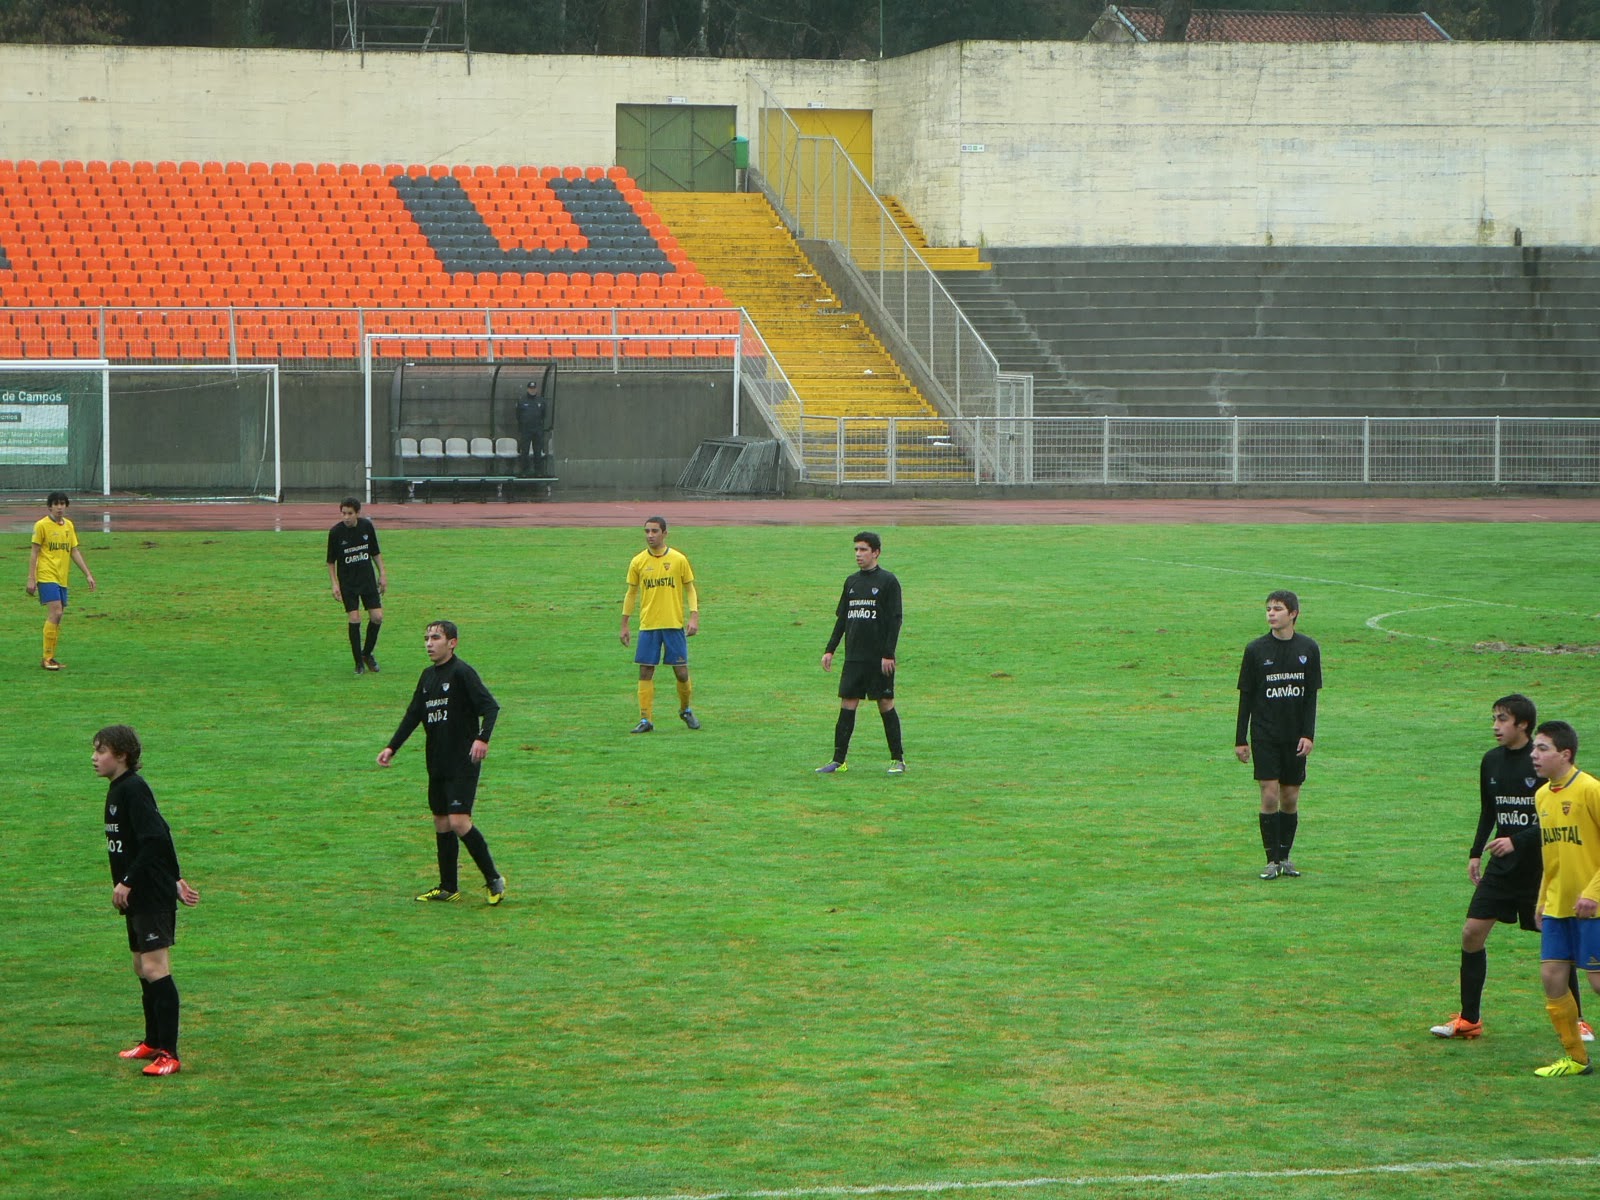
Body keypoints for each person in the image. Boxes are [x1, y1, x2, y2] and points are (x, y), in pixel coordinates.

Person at [1429, 695, 1591, 1041]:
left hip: (1539, 868)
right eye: (1494, 719)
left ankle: (1577, 1021)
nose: (1495, 726)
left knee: (1557, 945)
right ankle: (1469, 1019)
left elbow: (1552, 817)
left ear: (1523, 725)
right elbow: (1489, 810)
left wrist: (1517, 839)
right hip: (1502, 867)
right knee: (1472, 933)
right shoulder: (1491, 761)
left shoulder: (1545, 764)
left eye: (1502, 720)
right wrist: (1476, 853)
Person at [94, 724, 200, 1078]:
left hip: (148, 893)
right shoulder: (118, 789)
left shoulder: (134, 790)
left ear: (121, 756)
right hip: (139, 893)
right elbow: (160, 833)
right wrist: (177, 878)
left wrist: (130, 881)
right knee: (141, 967)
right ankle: (153, 1041)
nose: (94, 758)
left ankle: (170, 1054)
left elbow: (155, 838)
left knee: (156, 969)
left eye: (101, 751)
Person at [377, 620, 506, 905]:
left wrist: (482, 739)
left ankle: (493, 879)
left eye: (435, 638)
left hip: (463, 762)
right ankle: (448, 886)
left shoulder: (462, 673)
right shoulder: (427, 677)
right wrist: (391, 747)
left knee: (459, 821)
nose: (429, 643)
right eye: (426, 638)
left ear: (452, 642)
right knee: (441, 822)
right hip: (436, 761)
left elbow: (491, 707)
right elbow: (413, 715)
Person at [1529, 720, 1600, 1077]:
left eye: (1542, 748)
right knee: (1552, 978)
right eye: (1534, 749)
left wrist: (1594, 892)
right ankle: (1577, 1059)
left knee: (1598, 981)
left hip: (1594, 908)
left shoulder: (1591, 790)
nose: (1534, 755)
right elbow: (1551, 855)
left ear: (1565, 754)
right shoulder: (1542, 796)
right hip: (1559, 904)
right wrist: (1543, 897)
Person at [1234, 589, 1321, 879]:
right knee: (1269, 796)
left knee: (1290, 797)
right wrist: (1240, 739)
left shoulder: (1308, 649)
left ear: (1293, 613)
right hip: (1265, 735)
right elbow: (1246, 697)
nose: (1271, 613)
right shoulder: (1256, 650)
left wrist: (1308, 735)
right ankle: (1271, 860)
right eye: (1269, 609)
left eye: (1278, 609)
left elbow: (1310, 698)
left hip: (1294, 736)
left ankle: (1285, 858)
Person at [816, 530, 905, 776]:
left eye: (863, 549)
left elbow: (895, 620)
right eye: (856, 549)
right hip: (854, 657)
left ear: (876, 552)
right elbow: (842, 619)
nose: (858, 554)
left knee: (885, 704)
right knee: (847, 703)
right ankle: (838, 760)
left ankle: (898, 759)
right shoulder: (851, 582)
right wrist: (830, 649)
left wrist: (888, 654)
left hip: (878, 659)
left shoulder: (888, 581)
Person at [619, 515, 700, 733]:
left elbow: (690, 588)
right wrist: (624, 624)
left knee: (681, 672)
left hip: (673, 625)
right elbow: (631, 593)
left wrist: (694, 616)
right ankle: (646, 720)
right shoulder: (638, 561)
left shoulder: (678, 559)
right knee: (645, 671)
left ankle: (685, 710)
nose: (650, 536)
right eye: (646, 531)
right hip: (648, 626)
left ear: (665, 533)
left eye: (654, 531)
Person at [26, 490, 96, 671]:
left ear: (66, 506)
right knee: (55, 612)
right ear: (49, 506)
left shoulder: (69, 526)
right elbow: (34, 552)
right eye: (56, 504)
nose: (59, 507)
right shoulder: (41, 525)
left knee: (59, 616)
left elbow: (74, 551)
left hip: (62, 577)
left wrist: (87, 574)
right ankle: (47, 658)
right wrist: (31, 578)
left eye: (62, 504)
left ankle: (50, 657)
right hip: (46, 575)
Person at [326, 496, 387, 675]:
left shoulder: (366, 527)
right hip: (348, 583)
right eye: (343, 513)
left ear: (357, 513)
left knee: (377, 617)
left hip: (367, 580)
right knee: (354, 619)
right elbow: (331, 562)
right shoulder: (335, 533)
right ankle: (358, 663)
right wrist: (334, 584)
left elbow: (375, 552)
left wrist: (382, 574)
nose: (346, 517)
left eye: (349, 514)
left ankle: (366, 654)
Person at [515, 378, 550, 476]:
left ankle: (538, 471)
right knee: (525, 451)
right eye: (531, 388)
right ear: (527, 389)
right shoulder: (522, 400)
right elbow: (518, 415)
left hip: (537, 429)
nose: (532, 390)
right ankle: (524, 471)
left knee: (537, 451)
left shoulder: (541, 401)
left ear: (536, 389)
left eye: (534, 388)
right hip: (526, 430)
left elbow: (543, 414)